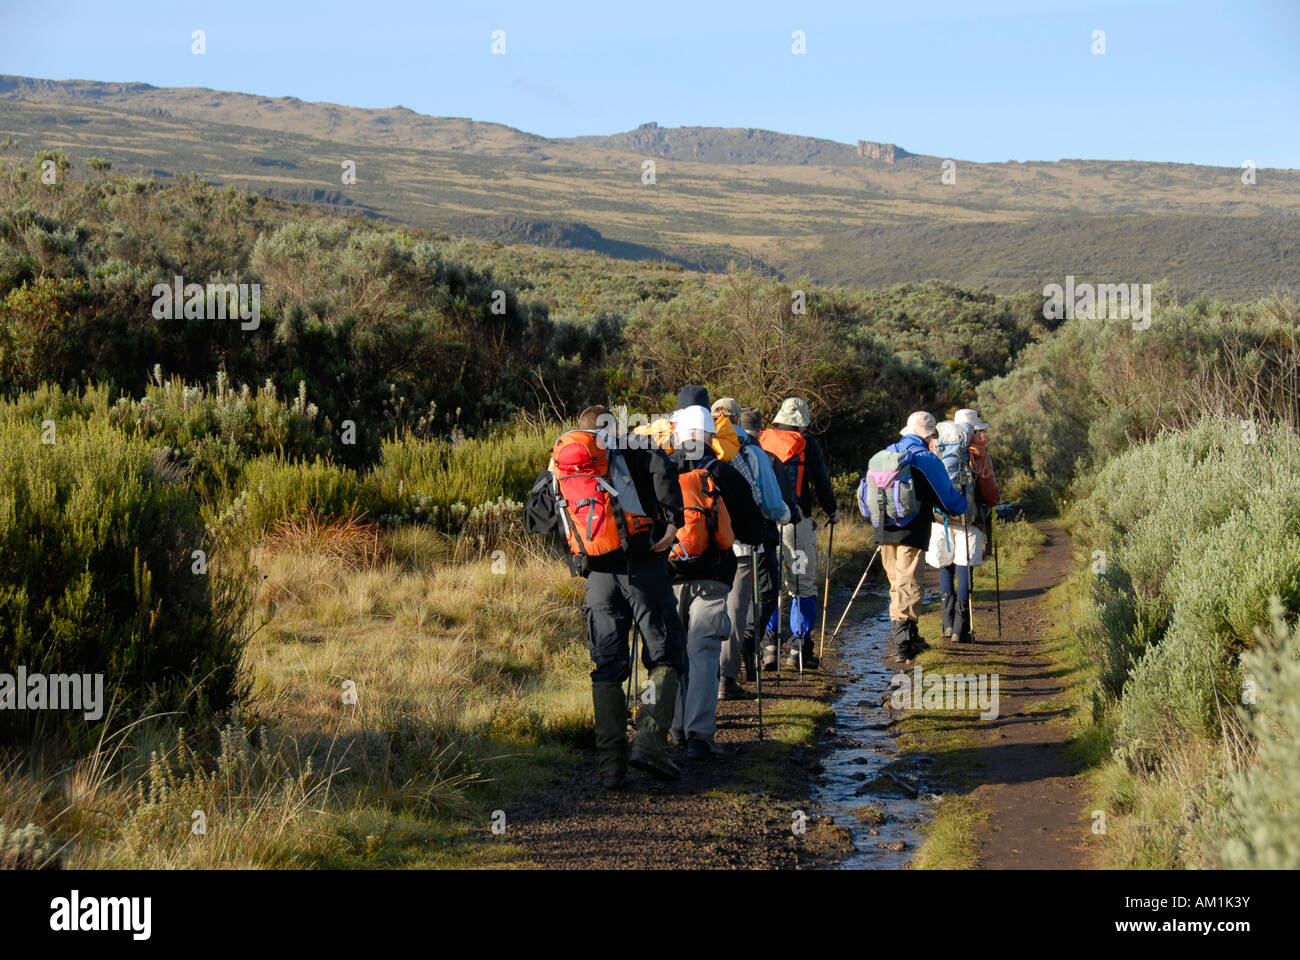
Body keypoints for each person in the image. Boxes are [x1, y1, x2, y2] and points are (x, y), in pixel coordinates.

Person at [526, 404, 687, 787]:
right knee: (666, 654)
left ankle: (610, 767)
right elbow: (666, 470)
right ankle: (648, 743)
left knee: (607, 667)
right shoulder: (636, 448)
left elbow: (535, 521)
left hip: (596, 577)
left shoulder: (563, 467)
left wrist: (550, 476)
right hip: (643, 568)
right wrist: (673, 518)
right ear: (613, 429)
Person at [666, 387, 763, 761]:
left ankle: (672, 728)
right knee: (704, 650)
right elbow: (753, 530)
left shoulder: (661, 467)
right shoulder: (723, 471)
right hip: (714, 575)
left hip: (668, 574)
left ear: (677, 434)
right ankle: (699, 736)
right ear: (710, 435)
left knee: (672, 650)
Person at [870, 411, 968, 660]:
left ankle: (909, 636)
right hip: (912, 529)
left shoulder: (886, 452)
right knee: (909, 582)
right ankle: (904, 642)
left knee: (896, 583)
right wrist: (963, 505)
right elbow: (948, 499)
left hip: (882, 527)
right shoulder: (925, 458)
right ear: (929, 435)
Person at [711, 397, 790, 700]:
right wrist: (785, 516)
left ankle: (698, 678)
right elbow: (769, 502)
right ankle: (726, 680)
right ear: (737, 419)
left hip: (699, 545)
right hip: (741, 546)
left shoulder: (694, 444)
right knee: (734, 609)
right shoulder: (749, 451)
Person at [758, 397, 839, 670]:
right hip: (797, 524)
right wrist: (833, 511)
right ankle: (798, 649)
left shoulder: (761, 441)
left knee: (769, 585)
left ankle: (768, 646)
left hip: (767, 526)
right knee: (801, 586)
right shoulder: (807, 445)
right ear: (802, 422)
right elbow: (821, 482)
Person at [926, 409, 1003, 642]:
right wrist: (994, 501)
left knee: (945, 567)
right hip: (969, 521)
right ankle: (961, 628)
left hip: (941, 519)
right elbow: (990, 493)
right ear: (973, 429)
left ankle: (946, 625)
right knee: (964, 567)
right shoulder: (978, 454)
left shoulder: (936, 448)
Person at [739, 406, 802, 675]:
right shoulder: (763, 457)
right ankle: (748, 645)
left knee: (734, 600)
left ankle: (731, 665)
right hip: (760, 539)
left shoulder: (717, 453)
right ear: (760, 430)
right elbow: (778, 505)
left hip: (721, 542)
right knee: (766, 593)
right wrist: (791, 515)